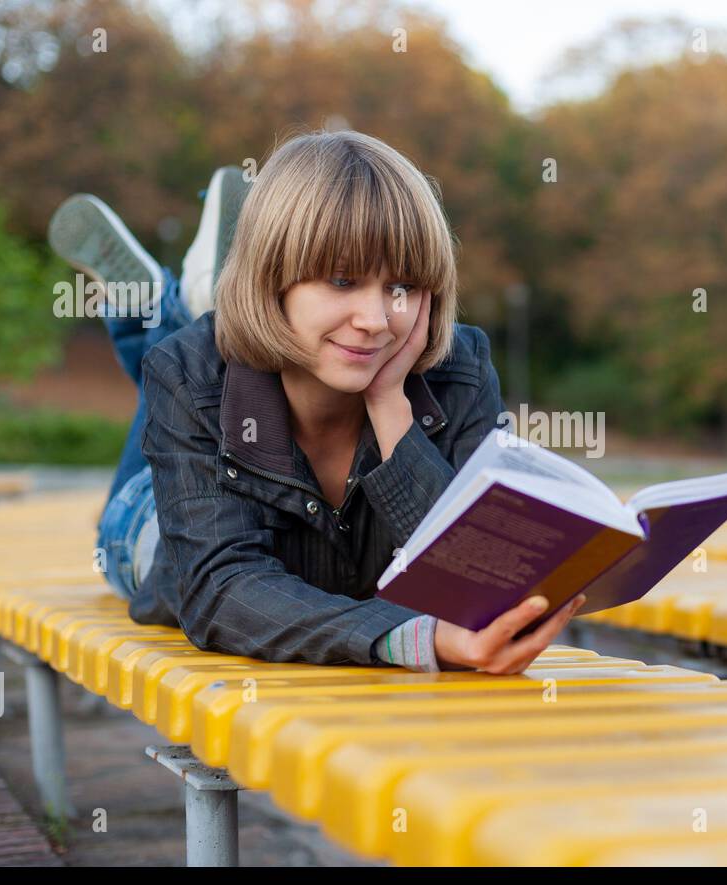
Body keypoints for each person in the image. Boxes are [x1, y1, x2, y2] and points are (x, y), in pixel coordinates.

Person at [51, 130, 584, 675]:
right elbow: (221, 589)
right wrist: (412, 638)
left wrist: (391, 406)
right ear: (271, 278)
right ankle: (155, 307)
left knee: (194, 357)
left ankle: (186, 298)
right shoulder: (189, 374)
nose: (375, 320)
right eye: (341, 279)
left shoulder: (461, 368)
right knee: (180, 370)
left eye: (401, 287)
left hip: (230, 363)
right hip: (155, 529)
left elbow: (476, 577)